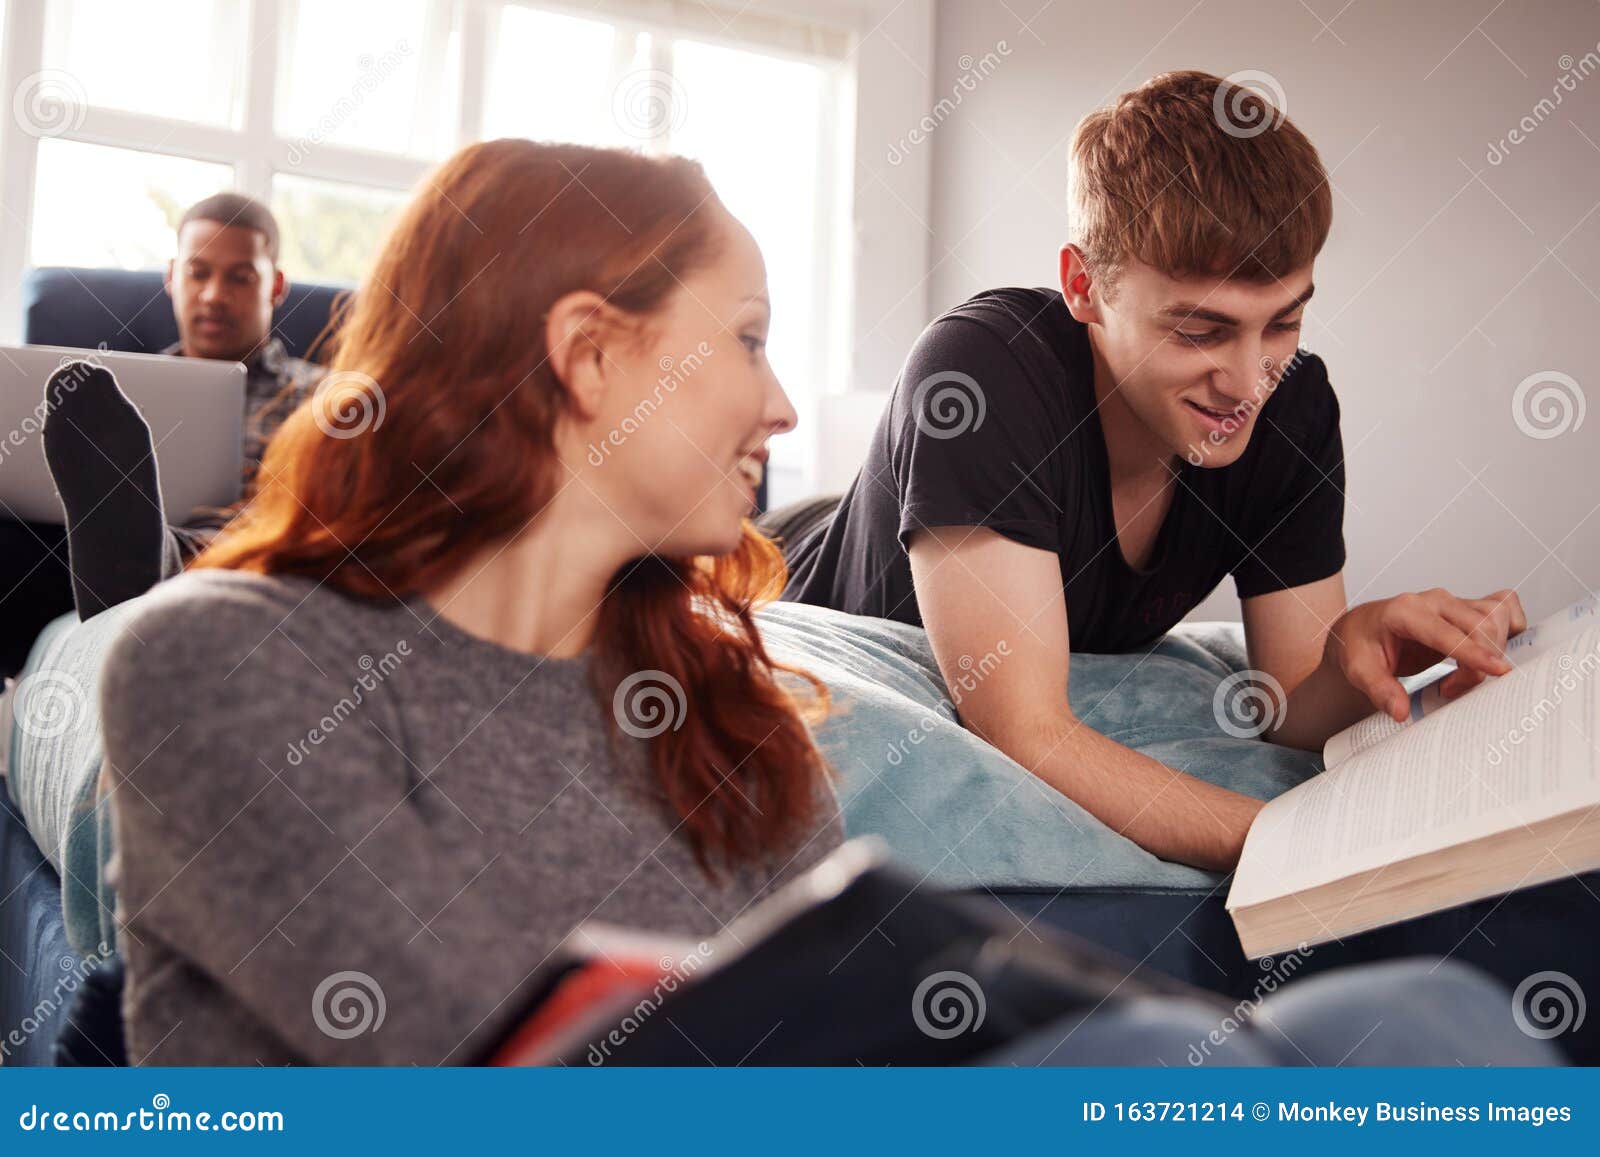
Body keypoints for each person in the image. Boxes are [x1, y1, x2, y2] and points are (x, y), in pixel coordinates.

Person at [100, 139, 842, 1065]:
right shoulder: (223, 666)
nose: (782, 407)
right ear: (590, 353)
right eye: (749, 339)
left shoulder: (739, 726)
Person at [778, 70, 1528, 871]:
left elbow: (1290, 709)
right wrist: (1315, 848)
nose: (1248, 382)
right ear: (1084, 286)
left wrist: (1351, 657)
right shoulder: (980, 372)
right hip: (775, 567)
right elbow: (1025, 731)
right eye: (1201, 332)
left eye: (1284, 322)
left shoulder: (1293, 406)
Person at [0, 194, 320, 676]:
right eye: (198, 273)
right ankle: (143, 557)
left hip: (250, 564)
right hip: (81, 562)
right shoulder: (115, 398)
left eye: (239, 277)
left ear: (274, 285)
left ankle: (162, 560)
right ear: (172, 277)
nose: (213, 295)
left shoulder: (322, 398)